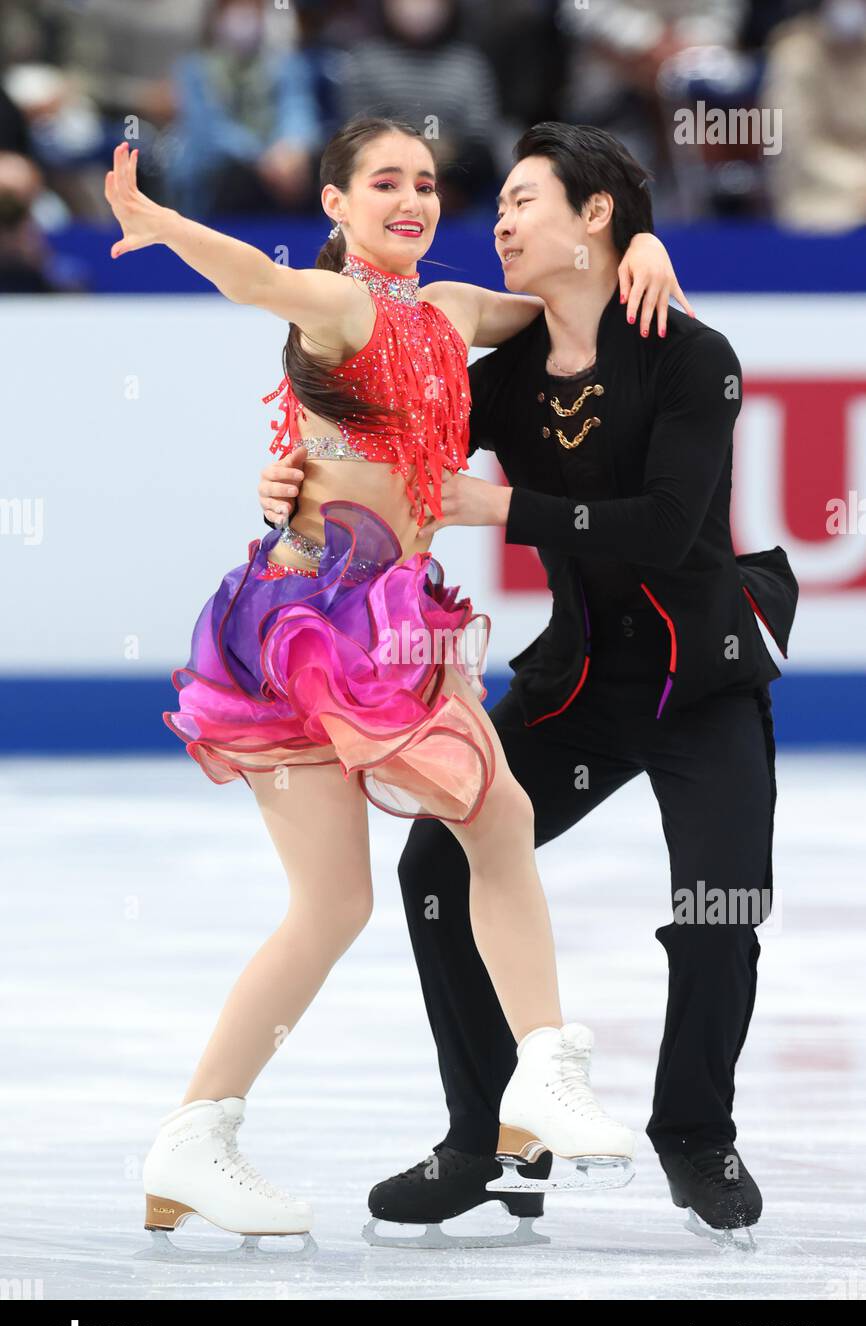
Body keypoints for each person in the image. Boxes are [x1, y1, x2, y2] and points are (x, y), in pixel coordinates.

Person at [103, 115, 685, 1252]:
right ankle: (542, 1070)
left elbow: (573, 304)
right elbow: (250, 278)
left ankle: (191, 1137)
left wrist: (639, 252)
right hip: (333, 623)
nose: (410, 197)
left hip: (349, 619)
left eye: (423, 181)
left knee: (337, 901)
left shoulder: (451, 311)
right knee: (497, 814)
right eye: (382, 182)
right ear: (336, 204)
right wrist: (162, 221)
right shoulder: (339, 304)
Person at [259, 122, 799, 1250]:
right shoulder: (496, 385)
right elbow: (383, 446)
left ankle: (694, 1131)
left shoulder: (690, 357)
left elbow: (662, 525)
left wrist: (502, 507)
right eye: (493, 205)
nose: (494, 222)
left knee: (721, 911)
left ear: (592, 218)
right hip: (580, 683)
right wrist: (294, 489)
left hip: (699, 678)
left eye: (520, 202)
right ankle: (491, 1143)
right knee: (437, 867)